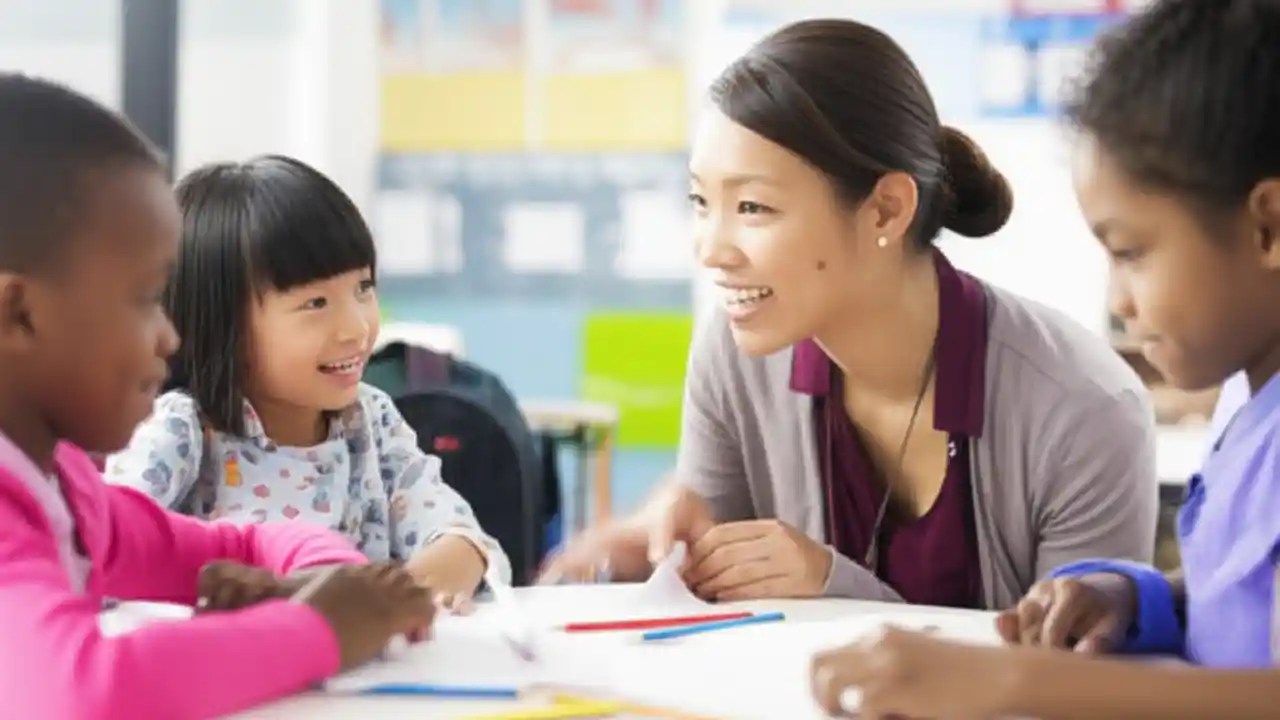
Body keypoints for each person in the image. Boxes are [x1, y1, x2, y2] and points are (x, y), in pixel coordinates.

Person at [542, 17, 1156, 609]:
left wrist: (832, 583)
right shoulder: (732, 353)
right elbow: (713, 616)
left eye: (753, 206)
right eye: (701, 201)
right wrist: (654, 550)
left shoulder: (1084, 410)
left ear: (886, 210)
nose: (711, 248)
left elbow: (1074, 676)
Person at [808, 1, 1280, 717]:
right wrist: (1133, 597)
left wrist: (1008, 681)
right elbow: (1245, 604)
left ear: (1268, 227)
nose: (1119, 300)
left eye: (1130, 253)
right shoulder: (1250, 397)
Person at [0, 73, 434, 720]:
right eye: (147, 299)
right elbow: (84, 691)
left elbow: (245, 544)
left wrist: (326, 583)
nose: (170, 337)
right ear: (19, 315)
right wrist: (322, 629)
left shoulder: (65, 489)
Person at [105, 156, 510, 611]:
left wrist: (398, 594)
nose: (356, 328)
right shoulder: (185, 430)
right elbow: (100, 553)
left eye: (363, 287)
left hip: (363, 673)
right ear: (220, 324)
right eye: (316, 302)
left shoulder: (370, 420)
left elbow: (464, 541)